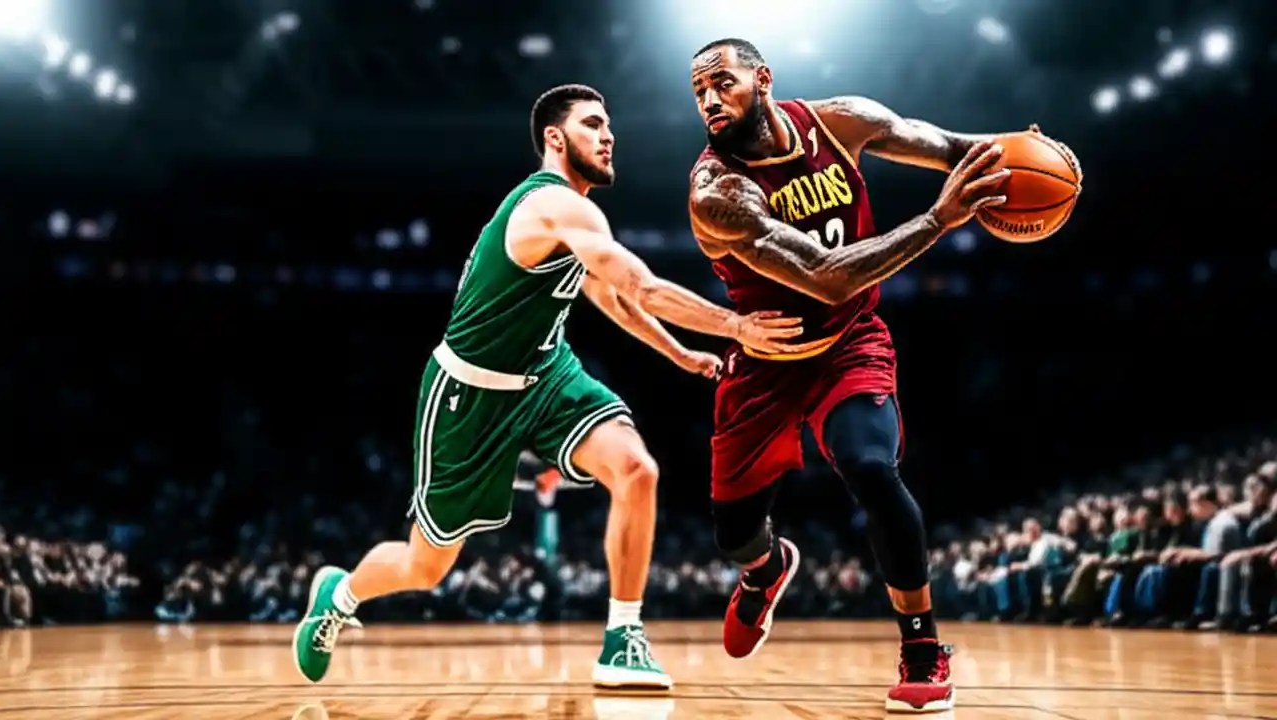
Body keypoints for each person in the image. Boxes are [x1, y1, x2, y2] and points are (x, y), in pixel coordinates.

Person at [292, 83, 808, 690]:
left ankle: (623, 638)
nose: (609, 135)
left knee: (637, 469)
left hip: (546, 374)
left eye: (610, 124)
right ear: (556, 140)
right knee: (425, 566)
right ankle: (340, 592)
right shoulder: (553, 205)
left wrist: (678, 353)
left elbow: (606, 293)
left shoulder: (577, 218)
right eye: (593, 124)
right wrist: (735, 325)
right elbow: (640, 285)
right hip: (470, 393)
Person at [685, 38, 1076, 713]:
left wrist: (1021, 150)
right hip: (766, 361)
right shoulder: (717, 193)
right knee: (733, 531)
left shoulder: (841, 122)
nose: (710, 101)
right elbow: (827, 278)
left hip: (846, 345)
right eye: (699, 93)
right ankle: (765, 569)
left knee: (871, 464)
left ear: (764, 79)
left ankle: (922, 646)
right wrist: (938, 220)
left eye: (722, 83)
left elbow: (951, 146)